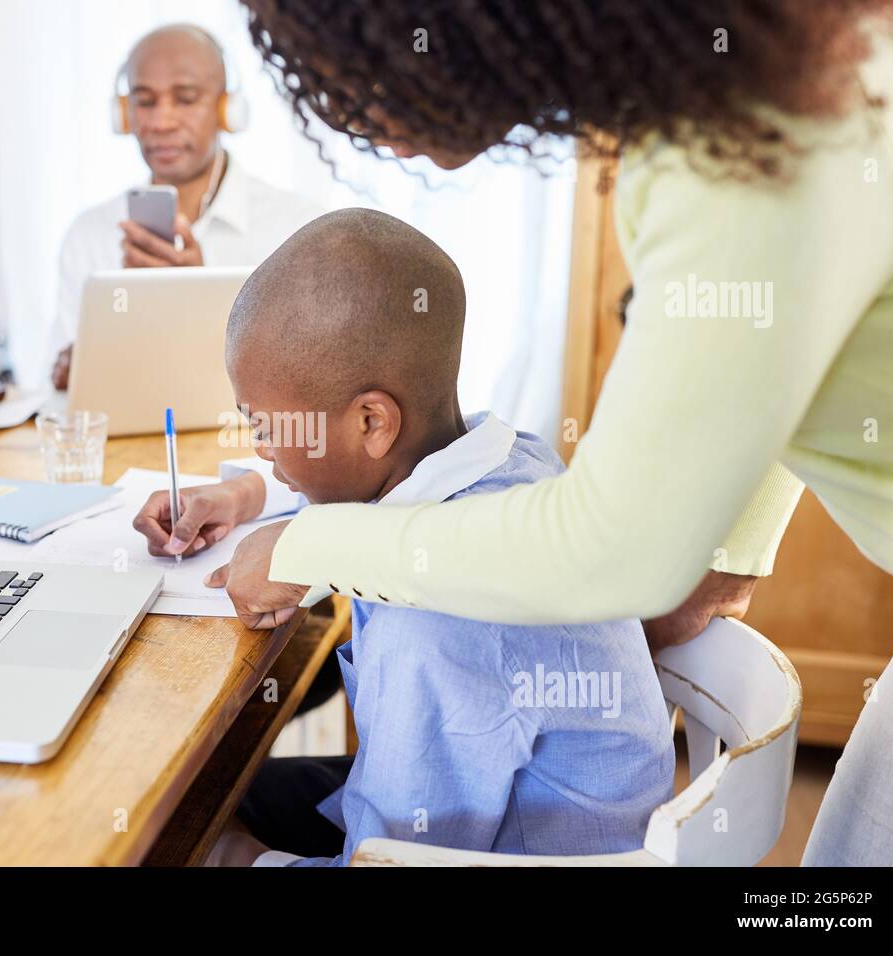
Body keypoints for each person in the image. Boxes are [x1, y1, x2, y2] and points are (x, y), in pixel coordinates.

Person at [203, 0, 893, 866]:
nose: (353, 120)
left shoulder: (737, 143)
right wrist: (730, 545)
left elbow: (612, 553)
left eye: (359, 75)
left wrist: (303, 544)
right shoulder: (736, 101)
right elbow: (783, 339)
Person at [135, 209, 674, 865]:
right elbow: (366, 489)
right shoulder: (513, 461)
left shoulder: (436, 628)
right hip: (496, 804)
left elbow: (392, 859)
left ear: (371, 422)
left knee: (167, 829)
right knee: (211, 788)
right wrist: (247, 492)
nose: (260, 446)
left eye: (268, 426)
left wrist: (236, 859)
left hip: (485, 848)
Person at [49, 23, 322, 389]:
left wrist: (198, 303)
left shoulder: (296, 228)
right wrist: (72, 370)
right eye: (145, 101)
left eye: (186, 98)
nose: (161, 122)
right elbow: (62, 387)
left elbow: (311, 383)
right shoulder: (89, 234)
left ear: (228, 110)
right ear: (125, 114)